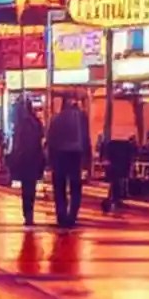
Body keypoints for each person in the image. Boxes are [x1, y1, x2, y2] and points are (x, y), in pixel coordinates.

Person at [47, 94, 91, 227]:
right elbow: (85, 138)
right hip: (75, 155)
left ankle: (61, 215)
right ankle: (72, 215)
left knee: (59, 187)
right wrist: (87, 159)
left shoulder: (56, 119)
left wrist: (50, 160)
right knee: (75, 187)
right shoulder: (82, 117)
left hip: (59, 155)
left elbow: (51, 139)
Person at [8, 100, 45, 227]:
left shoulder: (21, 124)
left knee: (26, 189)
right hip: (34, 158)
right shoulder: (36, 122)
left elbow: (17, 144)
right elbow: (41, 140)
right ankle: (29, 213)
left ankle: (28, 214)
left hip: (25, 159)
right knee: (31, 187)